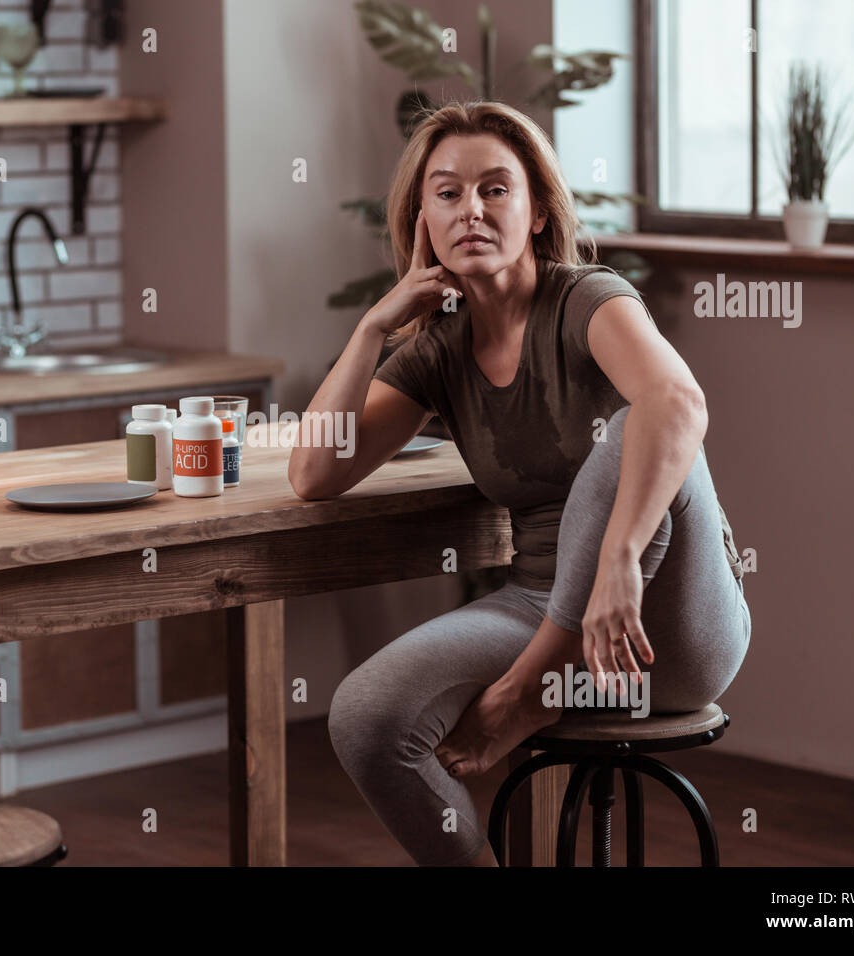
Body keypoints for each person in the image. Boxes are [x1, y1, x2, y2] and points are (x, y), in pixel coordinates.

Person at [287, 101, 751, 867]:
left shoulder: (586, 299)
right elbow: (314, 473)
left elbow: (679, 402)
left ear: (536, 210)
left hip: (664, 621)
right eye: (447, 193)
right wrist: (372, 329)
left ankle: (526, 694)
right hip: (544, 609)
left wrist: (616, 563)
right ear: (423, 223)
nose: (471, 209)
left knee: (632, 430)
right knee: (366, 717)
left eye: (495, 189)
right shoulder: (439, 349)